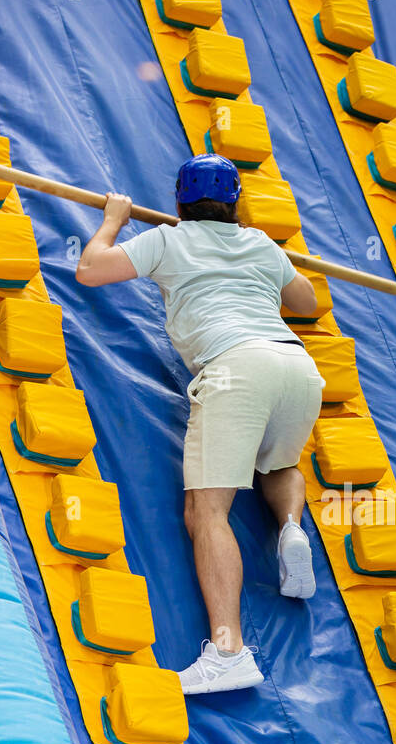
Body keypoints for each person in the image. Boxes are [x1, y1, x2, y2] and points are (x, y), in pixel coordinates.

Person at [75, 153, 326, 694]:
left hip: (234, 368)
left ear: (178, 202)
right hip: (297, 366)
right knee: (279, 462)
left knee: (206, 510)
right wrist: (280, 262)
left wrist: (114, 219)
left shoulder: (169, 239)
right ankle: (289, 529)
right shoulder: (261, 243)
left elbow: (91, 269)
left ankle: (229, 650)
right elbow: (306, 302)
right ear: (235, 202)